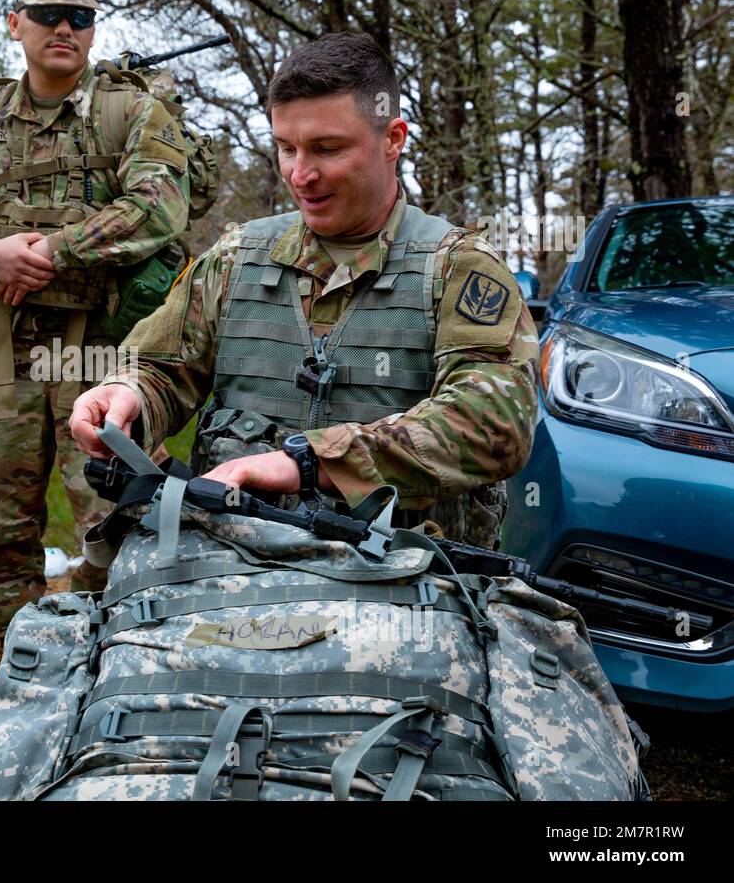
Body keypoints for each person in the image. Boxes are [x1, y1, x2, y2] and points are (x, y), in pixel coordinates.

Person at [71, 32, 539, 548]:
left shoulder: (458, 269)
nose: (301, 174)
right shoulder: (237, 257)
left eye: (327, 148)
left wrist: (311, 461)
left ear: (393, 138)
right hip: (233, 570)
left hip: (406, 583)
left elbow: (494, 422)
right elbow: (161, 366)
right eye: (286, 148)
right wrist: (126, 396)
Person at [0, 0, 190, 704]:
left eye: (81, 17)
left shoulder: (134, 111)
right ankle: (6, 651)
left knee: (113, 498)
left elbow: (160, 206)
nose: (64, 28)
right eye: (46, 14)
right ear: (15, 24)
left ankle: (120, 647)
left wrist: (55, 250)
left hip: (104, 341)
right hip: (1, 344)